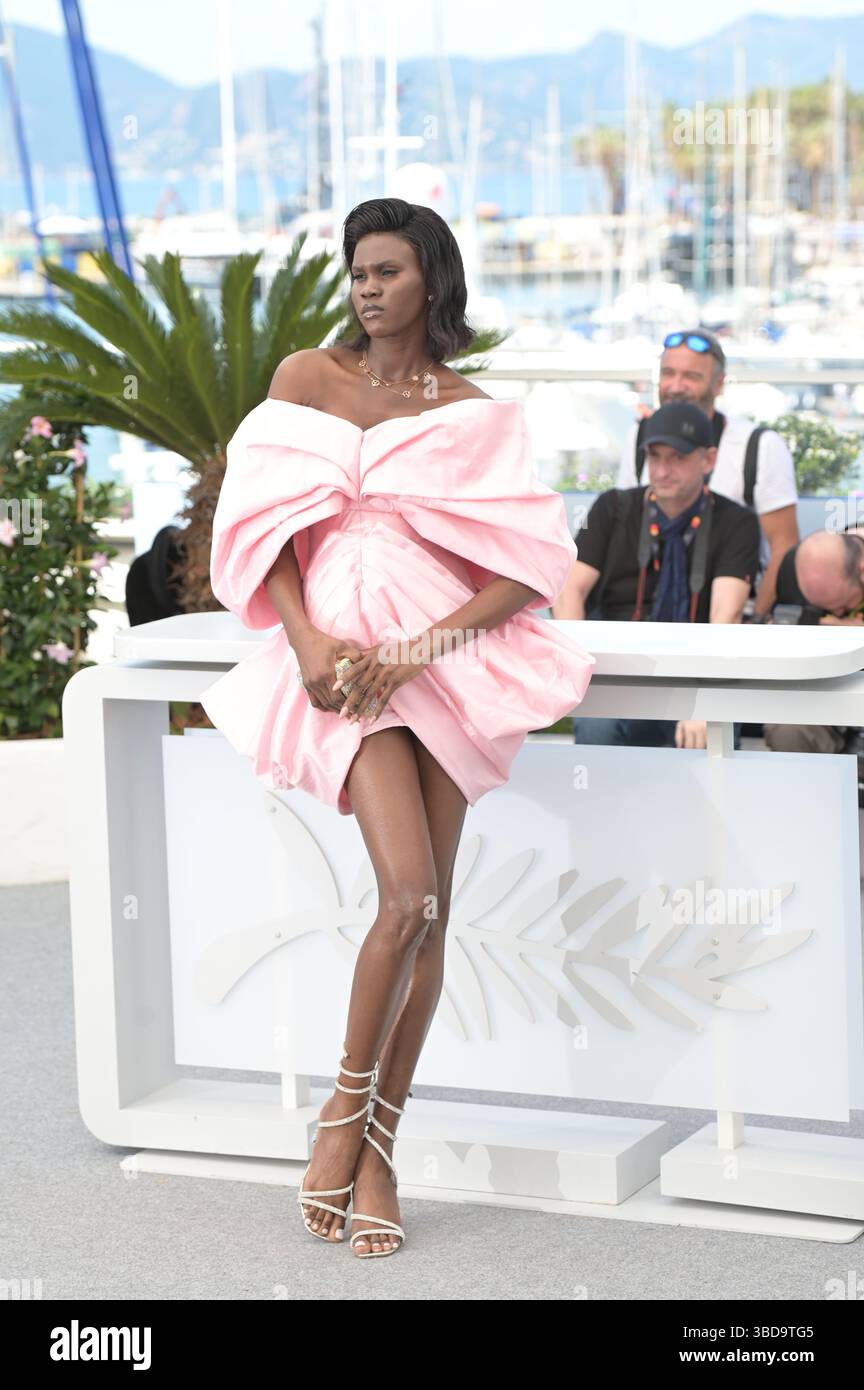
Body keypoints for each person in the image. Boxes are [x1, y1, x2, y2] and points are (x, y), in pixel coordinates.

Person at [200, 197, 596, 1259]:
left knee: (434, 915)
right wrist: (309, 640)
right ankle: (341, 1115)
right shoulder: (305, 379)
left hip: (435, 670)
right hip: (343, 669)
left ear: (431, 279)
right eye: (358, 272)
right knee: (406, 893)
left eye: (388, 272)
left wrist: (420, 651)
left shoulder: (469, 408)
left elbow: (528, 568)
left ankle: (377, 1146)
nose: (369, 289)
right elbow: (263, 524)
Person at [553, 401, 760, 750]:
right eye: (655, 457)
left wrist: (705, 700)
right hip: (617, 668)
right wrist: (583, 673)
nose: (663, 470)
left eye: (678, 458)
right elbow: (567, 589)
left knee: (712, 737)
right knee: (597, 728)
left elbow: (727, 615)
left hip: (697, 668)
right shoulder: (613, 507)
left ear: (708, 460)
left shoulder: (736, 521)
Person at [616, 327, 799, 615]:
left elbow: (784, 549)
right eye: (668, 373)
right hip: (647, 608)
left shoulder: (759, 446)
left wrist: (759, 624)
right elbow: (625, 527)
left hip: (736, 615)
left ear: (719, 384)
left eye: (691, 376)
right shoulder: (639, 436)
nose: (676, 386)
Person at [761, 527, 864, 757]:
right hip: (829, 697)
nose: (836, 613)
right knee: (787, 730)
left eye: (843, 606)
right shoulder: (796, 569)